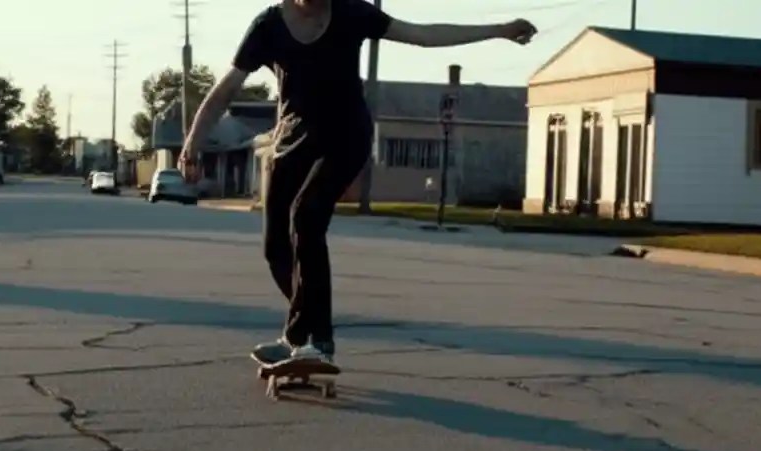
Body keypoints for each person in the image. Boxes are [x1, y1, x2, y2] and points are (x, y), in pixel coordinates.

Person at [179, 0, 536, 368]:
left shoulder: (352, 13)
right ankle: (303, 333)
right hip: (292, 141)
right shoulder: (267, 26)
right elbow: (226, 89)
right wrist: (192, 143)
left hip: (346, 136)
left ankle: (315, 341)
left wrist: (499, 30)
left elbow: (422, 34)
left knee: (307, 217)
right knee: (275, 248)